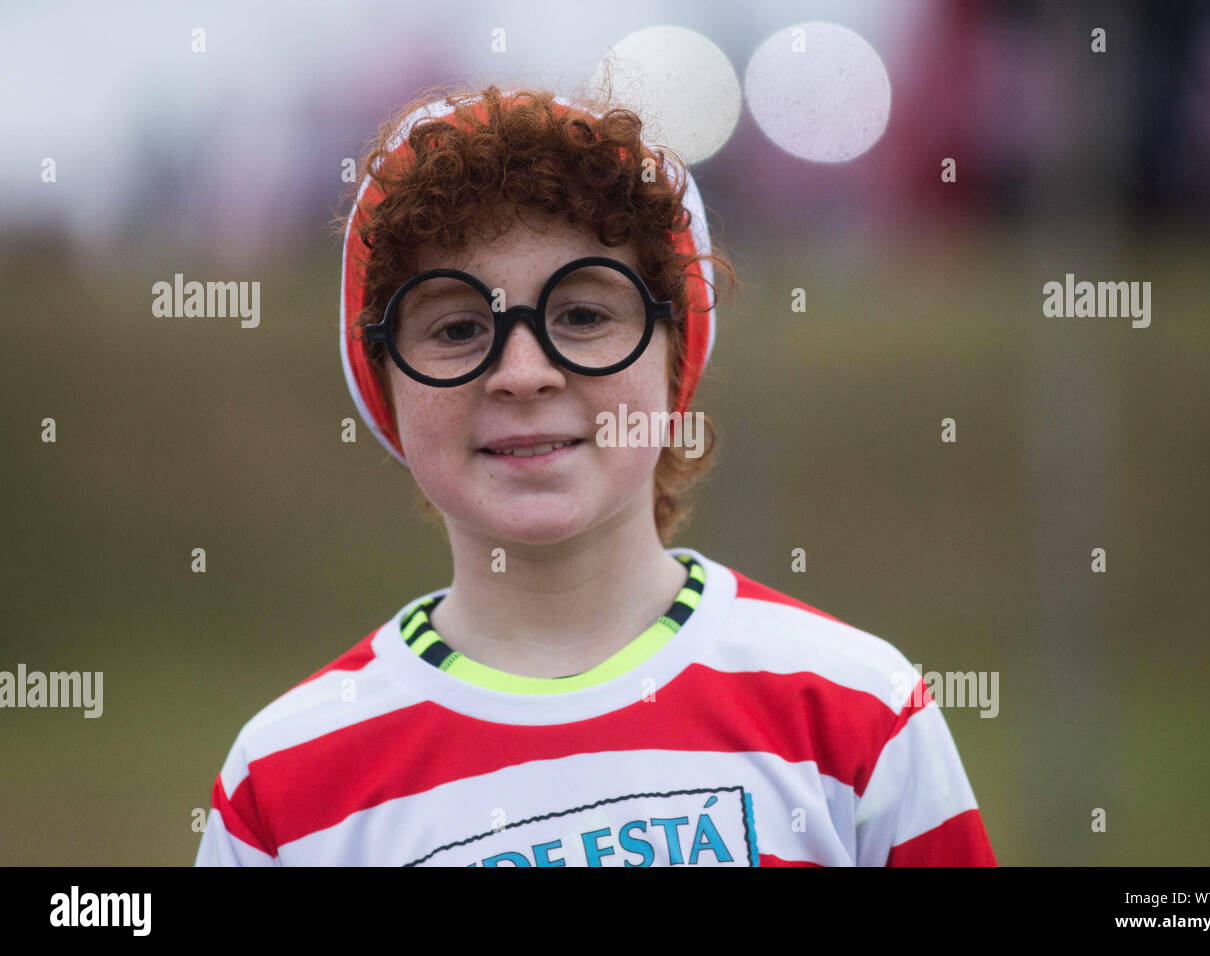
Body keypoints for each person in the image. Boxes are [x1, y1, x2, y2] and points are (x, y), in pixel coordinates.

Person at [194, 83, 995, 866]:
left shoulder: (860, 713)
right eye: (459, 326)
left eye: (582, 315)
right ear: (385, 385)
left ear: (675, 347)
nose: (523, 372)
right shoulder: (284, 788)